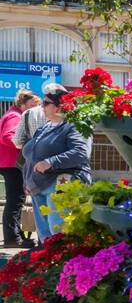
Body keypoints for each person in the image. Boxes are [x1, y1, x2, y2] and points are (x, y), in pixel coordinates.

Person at [22, 87, 90, 242]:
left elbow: (80, 152)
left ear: (60, 107)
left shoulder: (74, 126)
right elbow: (30, 156)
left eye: (46, 103)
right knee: (45, 237)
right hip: (37, 187)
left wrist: (50, 162)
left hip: (59, 184)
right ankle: (50, 265)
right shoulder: (44, 128)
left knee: (58, 234)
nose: (41, 106)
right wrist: (27, 180)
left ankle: (63, 265)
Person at [0, 89, 38, 247]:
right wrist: (29, 145)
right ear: (22, 104)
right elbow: (8, 136)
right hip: (12, 163)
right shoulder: (15, 117)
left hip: (11, 163)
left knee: (15, 200)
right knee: (15, 201)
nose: (33, 110)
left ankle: (16, 235)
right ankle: (12, 238)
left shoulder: (14, 115)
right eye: (30, 106)